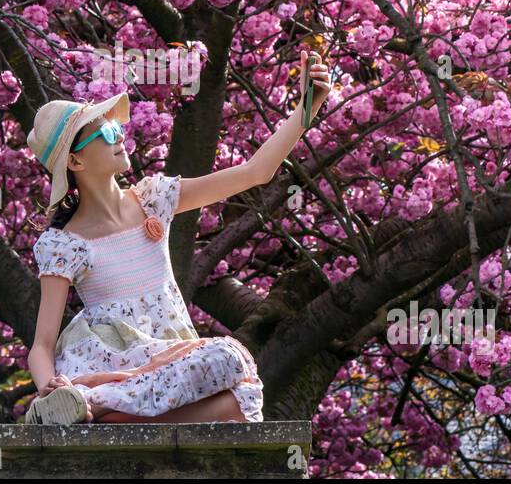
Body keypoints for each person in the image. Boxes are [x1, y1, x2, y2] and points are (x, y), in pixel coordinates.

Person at [22, 50, 332, 424]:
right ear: (75, 162)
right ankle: (73, 406)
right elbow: (41, 345)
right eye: (105, 132)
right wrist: (48, 389)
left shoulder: (154, 199)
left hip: (171, 362)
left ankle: (95, 410)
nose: (119, 135)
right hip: (110, 362)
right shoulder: (65, 244)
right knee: (231, 403)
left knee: (231, 363)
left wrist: (306, 109)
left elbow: (256, 172)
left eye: (116, 127)